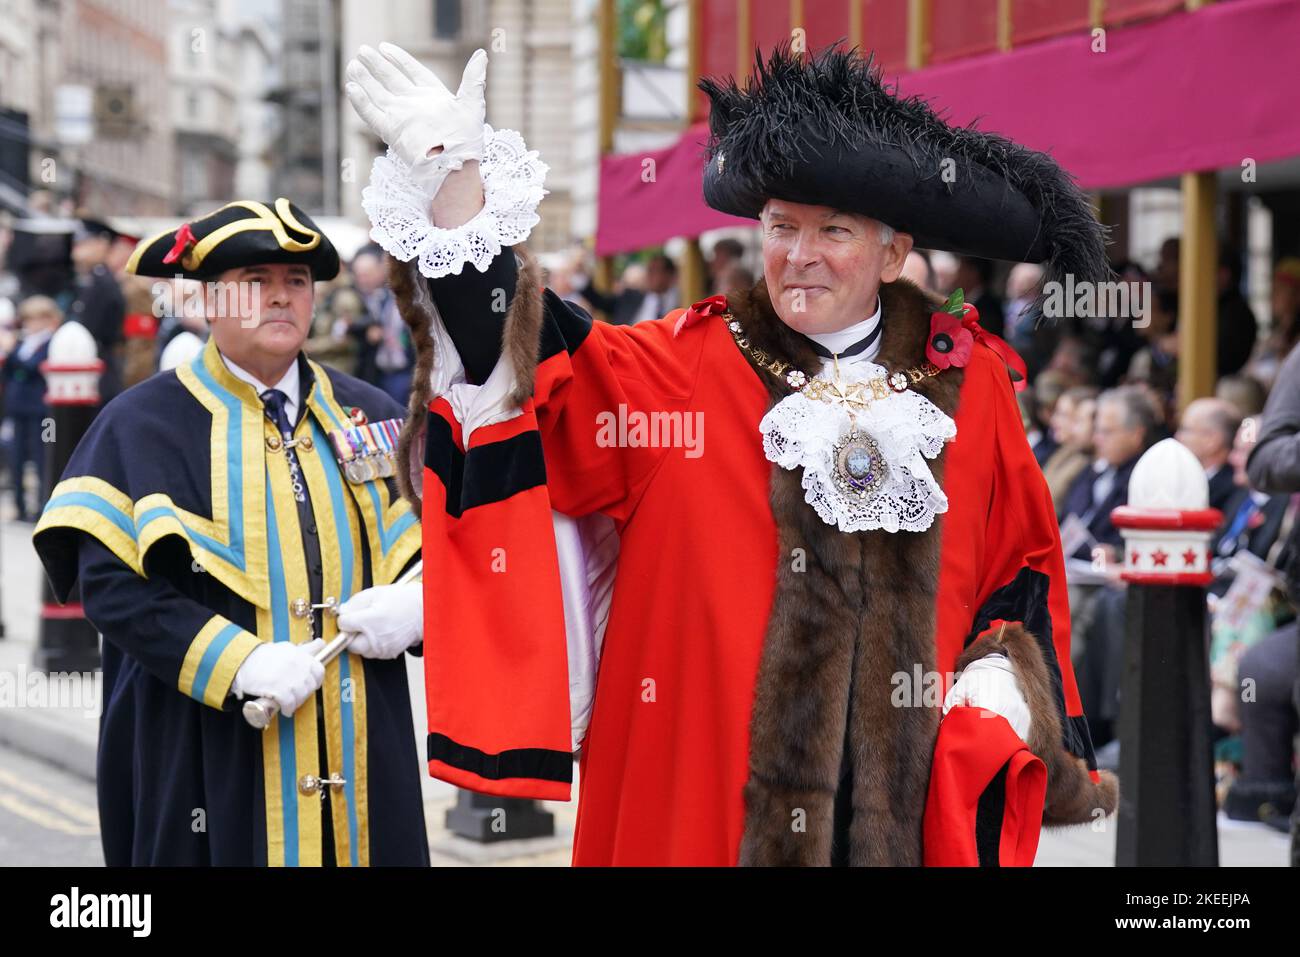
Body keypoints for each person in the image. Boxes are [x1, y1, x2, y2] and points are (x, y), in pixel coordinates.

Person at [346, 40, 1116, 866]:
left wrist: (1002, 672)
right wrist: (456, 186)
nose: (799, 254)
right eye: (782, 227)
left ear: (893, 255)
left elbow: (1019, 570)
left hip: (904, 810)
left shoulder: (972, 381)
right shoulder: (684, 362)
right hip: (706, 806)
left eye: (833, 230)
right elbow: (534, 361)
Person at [32, 199, 427, 866]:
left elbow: (440, 552)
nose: (281, 296)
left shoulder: (372, 413)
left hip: (361, 741)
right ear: (208, 300)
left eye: (296, 281)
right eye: (255, 281)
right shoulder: (141, 424)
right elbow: (112, 591)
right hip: (208, 744)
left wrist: (421, 605)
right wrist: (238, 661)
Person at [2, 295, 60, 521]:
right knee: (15, 456)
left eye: (35, 319)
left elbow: (33, 367)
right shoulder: (23, 343)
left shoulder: (51, 342)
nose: (31, 324)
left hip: (41, 411)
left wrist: (11, 353)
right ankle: (20, 505)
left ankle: (42, 505)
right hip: (18, 408)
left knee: (42, 456)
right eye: (27, 320)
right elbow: (11, 372)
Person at [68, 218, 127, 402]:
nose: (76, 251)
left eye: (84, 243)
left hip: (98, 372)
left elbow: (91, 330)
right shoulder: (93, 279)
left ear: (102, 244)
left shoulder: (101, 282)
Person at [1175, 397, 1242, 514]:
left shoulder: (1233, 491)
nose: (1178, 436)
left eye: (1186, 430)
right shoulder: (1181, 477)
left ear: (1212, 440)